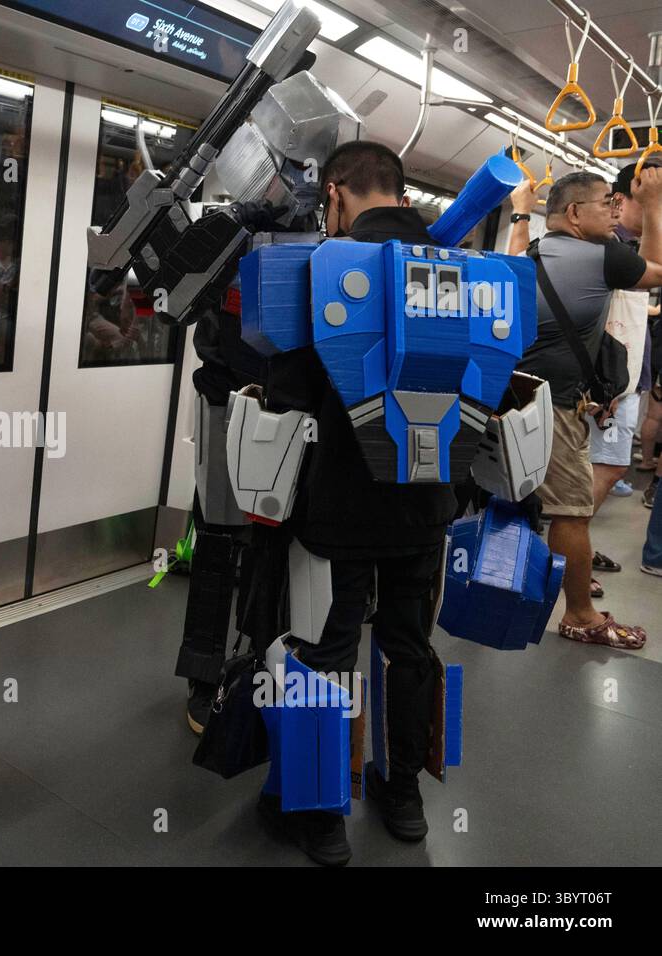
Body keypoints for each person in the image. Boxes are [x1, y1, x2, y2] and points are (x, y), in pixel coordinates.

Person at [255, 141, 461, 866]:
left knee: (325, 653)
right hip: (427, 501)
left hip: (337, 502)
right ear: (401, 192)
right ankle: (402, 796)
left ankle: (320, 819)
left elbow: (286, 395)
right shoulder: (460, 267)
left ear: (336, 191)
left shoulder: (320, 267)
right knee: (409, 649)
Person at [508, 169, 662, 649]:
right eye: (605, 204)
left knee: (524, 504)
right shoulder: (602, 256)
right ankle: (579, 615)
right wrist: (653, 205)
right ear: (574, 214)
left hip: (515, 397)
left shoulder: (531, 253)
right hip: (552, 408)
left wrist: (519, 209)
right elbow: (657, 268)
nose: (616, 214)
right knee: (571, 514)